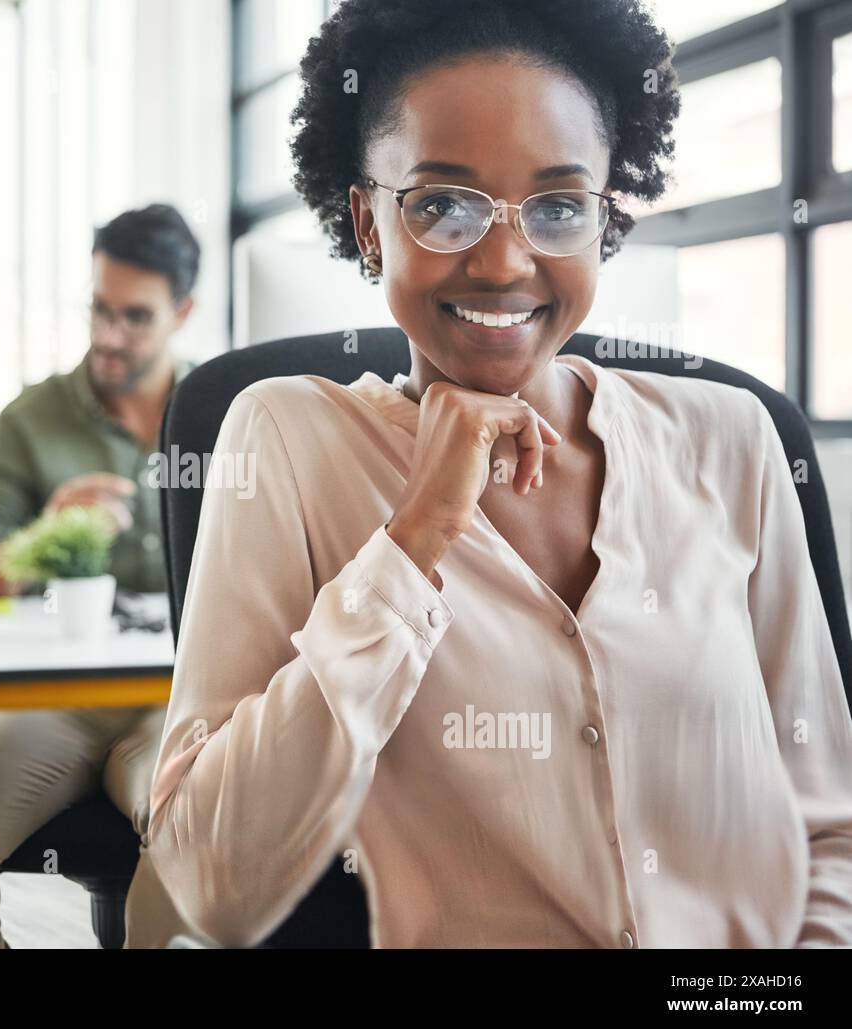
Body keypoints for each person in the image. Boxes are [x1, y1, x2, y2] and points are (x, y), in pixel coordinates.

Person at [147, 0, 852, 949]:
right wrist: (411, 541)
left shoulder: (731, 438)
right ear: (367, 223)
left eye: (558, 207)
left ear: (604, 219)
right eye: (443, 204)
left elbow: (831, 826)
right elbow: (209, 883)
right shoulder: (286, 438)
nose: (504, 261)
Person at [0, 203, 201, 948]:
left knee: (196, 829)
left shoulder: (226, 412)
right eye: (99, 309)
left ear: (183, 312)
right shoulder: (32, 418)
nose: (109, 335)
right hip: (52, 698)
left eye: (135, 317)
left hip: (181, 695)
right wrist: (45, 535)